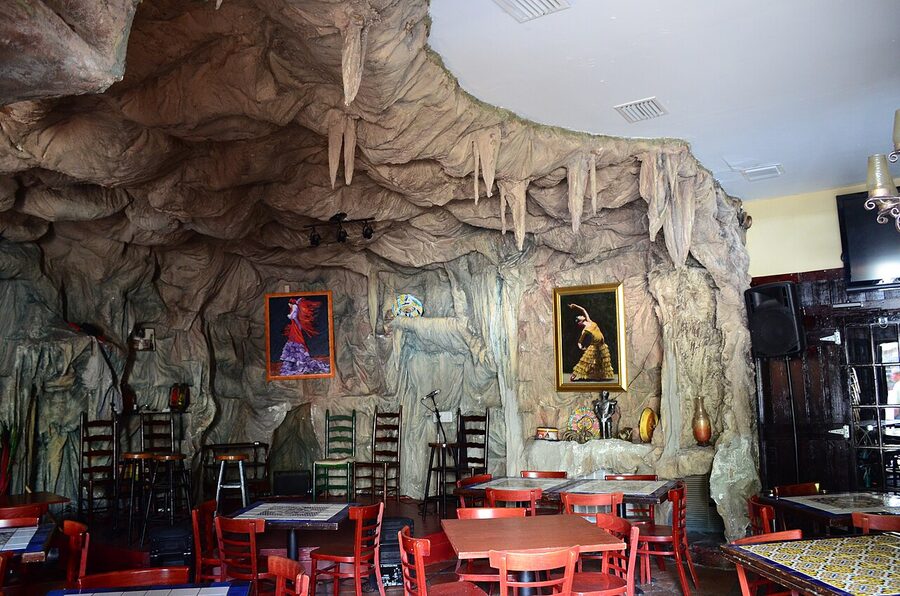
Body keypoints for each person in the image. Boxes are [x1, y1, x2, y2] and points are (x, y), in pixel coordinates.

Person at [279, 297, 330, 375]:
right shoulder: (294, 307)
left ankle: (298, 364)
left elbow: (292, 316)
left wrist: (290, 315)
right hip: (295, 327)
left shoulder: (295, 307)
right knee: (294, 341)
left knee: (296, 341)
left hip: (295, 327)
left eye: (289, 304)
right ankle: (295, 363)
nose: (289, 305)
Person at [568, 303, 615, 381]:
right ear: (579, 322)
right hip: (594, 345)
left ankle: (598, 375)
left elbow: (583, 309)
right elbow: (580, 341)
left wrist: (575, 306)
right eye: (579, 316)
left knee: (601, 360)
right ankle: (574, 375)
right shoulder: (585, 330)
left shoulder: (590, 321)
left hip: (602, 345)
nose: (581, 315)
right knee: (585, 361)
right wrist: (580, 347)